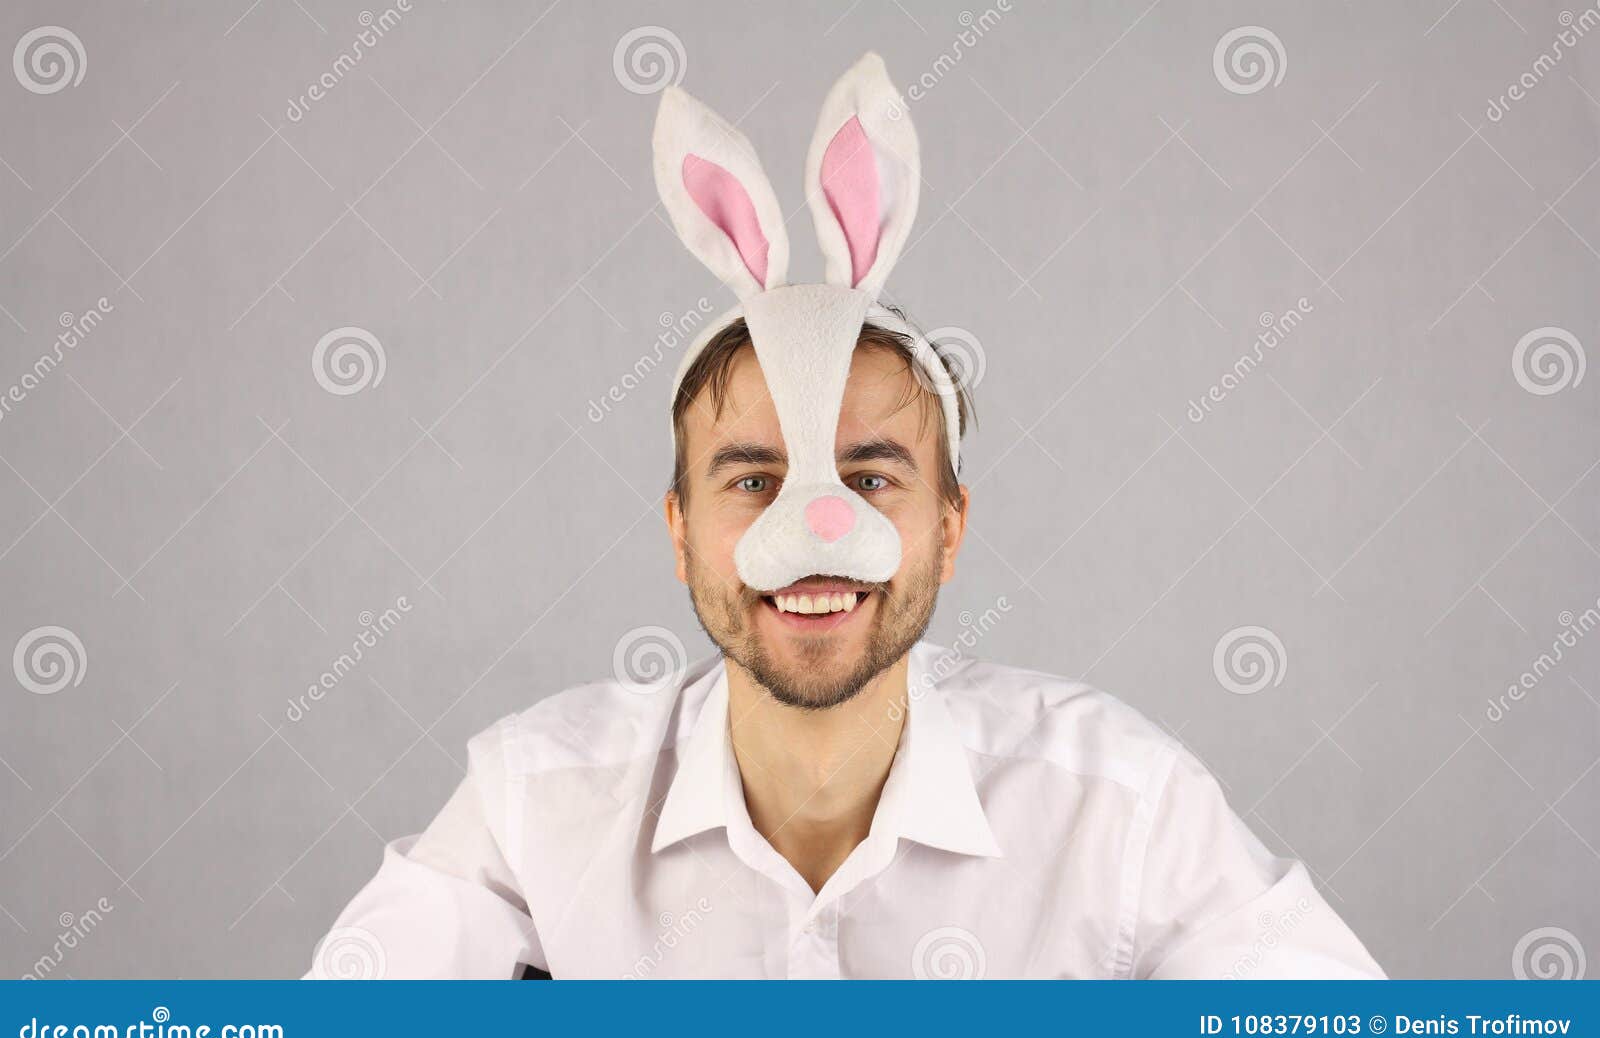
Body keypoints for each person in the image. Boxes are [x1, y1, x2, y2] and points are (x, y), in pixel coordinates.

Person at [304, 53, 1384, 981]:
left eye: (869, 479)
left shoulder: (1120, 805)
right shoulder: (537, 802)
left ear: (951, 527)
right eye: (752, 479)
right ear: (678, 532)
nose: (815, 530)